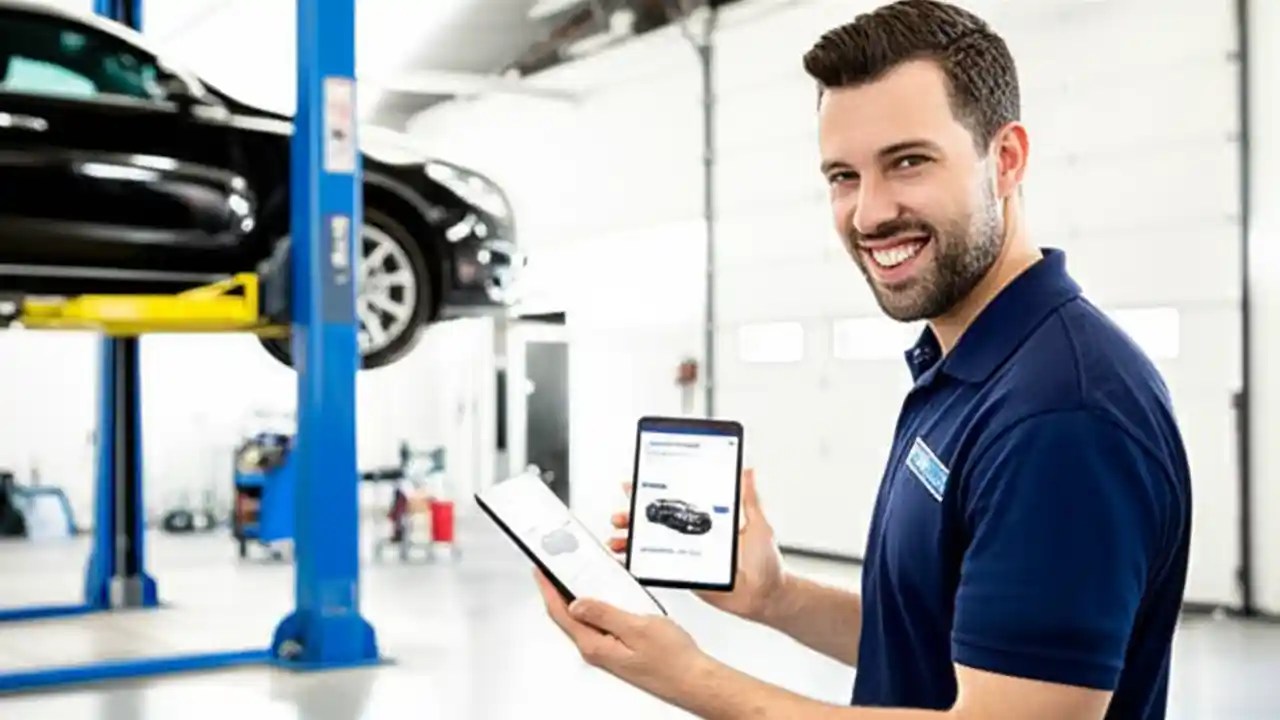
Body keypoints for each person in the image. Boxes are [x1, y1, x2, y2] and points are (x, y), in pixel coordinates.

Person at [533, 1, 1193, 718]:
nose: (870, 213)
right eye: (842, 176)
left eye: (907, 162)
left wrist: (689, 678)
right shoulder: (965, 369)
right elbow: (941, 642)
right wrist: (777, 599)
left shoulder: (1062, 414)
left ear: (1005, 160)